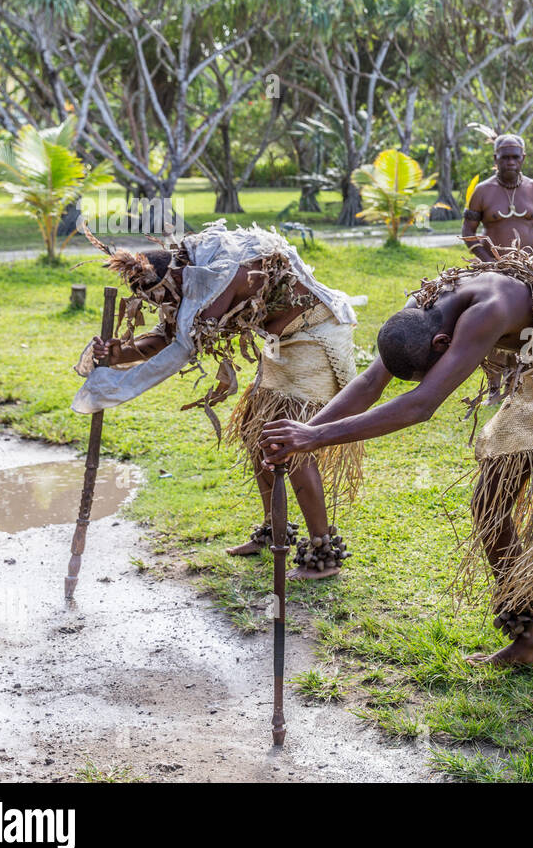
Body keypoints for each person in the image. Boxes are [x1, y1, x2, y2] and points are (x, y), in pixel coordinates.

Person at [259, 249, 533, 705]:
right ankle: (526, 638)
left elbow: (421, 404)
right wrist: (307, 433)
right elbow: (372, 385)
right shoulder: (423, 311)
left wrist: (312, 440)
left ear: (440, 345)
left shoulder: (485, 312)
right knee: (490, 507)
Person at [73, 220, 361, 580]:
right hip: (280, 340)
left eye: (161, 297)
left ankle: (324, 553)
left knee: (292, 444)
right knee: (258, 436)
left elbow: (181, 344)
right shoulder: (187, 278)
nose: (160, 305)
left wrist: (114, 386)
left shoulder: (220, 273)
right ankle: (275, 532)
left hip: (315, 334)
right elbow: (169, 333)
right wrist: (117, 355)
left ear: (174, 278)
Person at [460, 127, 533, 402]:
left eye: (515, 157)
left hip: (530, 272)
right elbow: (468, 230)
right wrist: (490, 262)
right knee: (493, 328)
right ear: (496, 158)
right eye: (505, 158)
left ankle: (516, 386)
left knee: (527, 326)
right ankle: (493, 389)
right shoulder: (482, 192)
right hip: (495, 274)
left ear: (523, 158)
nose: (510, 162)